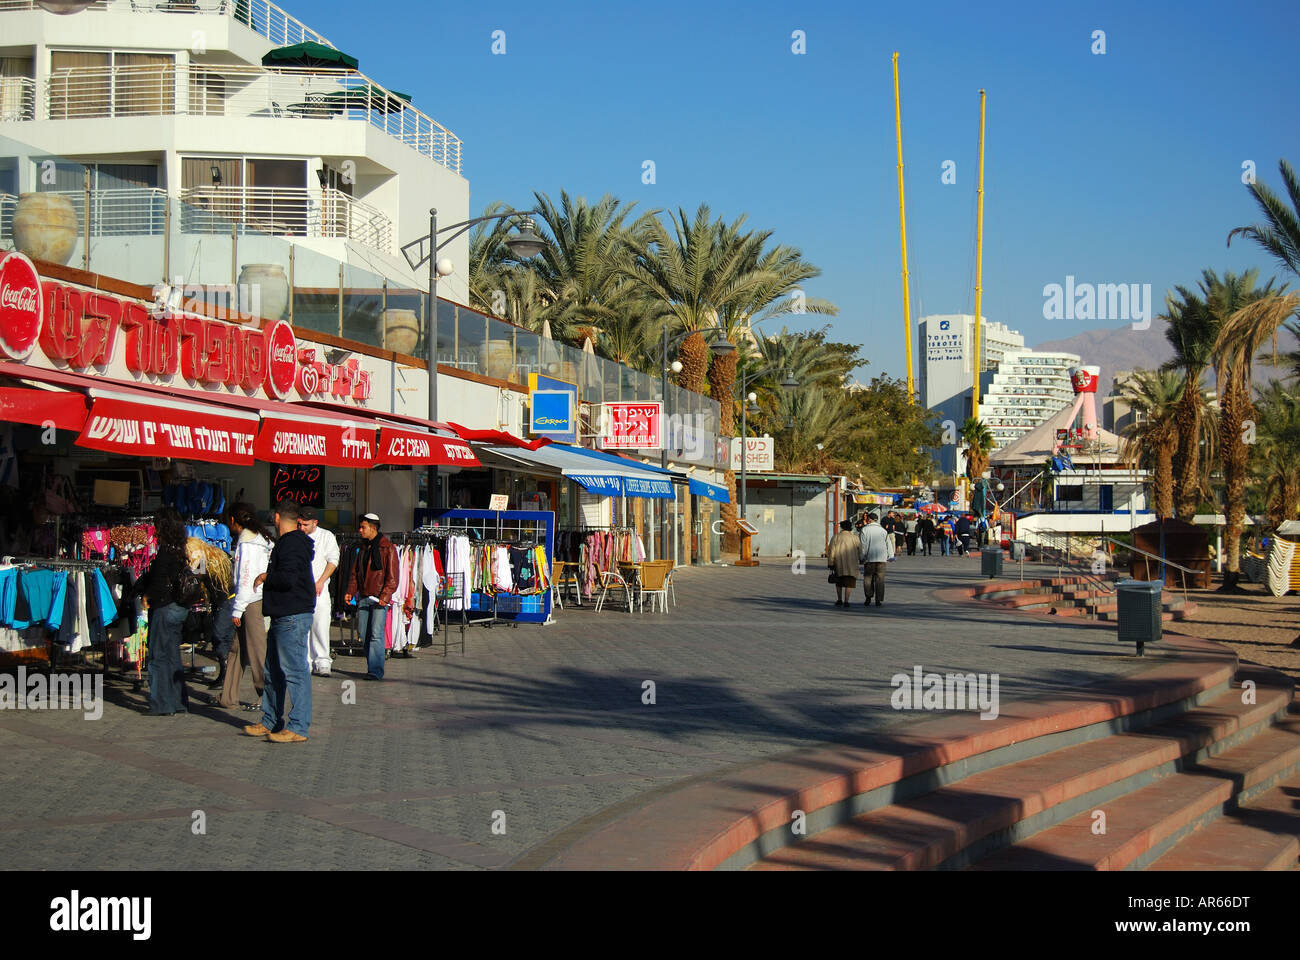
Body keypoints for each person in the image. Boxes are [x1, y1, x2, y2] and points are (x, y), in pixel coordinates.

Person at [243, 499, 316, 743]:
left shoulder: (292, 544)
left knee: (295, 671)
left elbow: (287, 578)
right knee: (273, 671)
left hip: (292, 615)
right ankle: (270, 720)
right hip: (282, 615)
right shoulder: (288, 542)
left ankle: (298, 726)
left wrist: (266, 576)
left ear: (276, 517)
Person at [133, 507, 196, 716]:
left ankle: (161, 704)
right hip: (180, 607)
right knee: (172, 656)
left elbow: (159, 584)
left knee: (158, 657)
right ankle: (178, 702)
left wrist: (146, 596)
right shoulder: (180, 549)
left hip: (165, 607)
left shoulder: (165, 552)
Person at [220, 503, 272, 711]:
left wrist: (237, 609)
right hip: (251, 599)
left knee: (257, 651)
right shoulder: (257, 539)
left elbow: (245, 576)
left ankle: (267, 694)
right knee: (237, 649)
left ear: (233, 520)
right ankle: (228, 696)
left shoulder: (248, 543)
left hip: (250, 601)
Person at [344, 512, 398, 681]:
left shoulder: (387, 548)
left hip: (379, 598)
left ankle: (375, 670)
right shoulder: (363, 548)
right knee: (363, 632)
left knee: (376, 634)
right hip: (365, 596)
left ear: (373, 528)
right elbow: (355, 572)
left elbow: (393, 576)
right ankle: (372, 665)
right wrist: (350, 591)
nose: (360, 530)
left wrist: (385, 596)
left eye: (363, 527)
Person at [297, 505, 340, 677]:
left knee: (320, 625)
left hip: (319, 590)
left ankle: (322, 660)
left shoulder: (326, 536)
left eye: (305, 525)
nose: (302, 528)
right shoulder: (296, 536)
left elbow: (333, 560)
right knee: (302, 627)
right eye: (300, 524)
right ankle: (305, 661)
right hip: (300, 590)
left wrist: (321, 581)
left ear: (315, 523)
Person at [857, 512, 891, 608]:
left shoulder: (864, 530)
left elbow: (862, 546)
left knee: (868, 578)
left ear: (869, 519)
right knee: (880, 579)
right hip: (881, 559)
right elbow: (888, 543)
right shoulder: (883, 530)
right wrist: (890, 555)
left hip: (869, 559)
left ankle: (868, 597)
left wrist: (861, 557)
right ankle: (878, 599)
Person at [827, 519, 861, 607]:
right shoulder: (855, 537)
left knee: (838, 581)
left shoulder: (836, 537)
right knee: (849, 582)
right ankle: (846, 600)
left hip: (839, 563)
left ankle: (839, 599)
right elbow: (860, 550)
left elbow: (831, 550)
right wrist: (861, 559)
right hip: (851, 564)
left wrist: (830, 562)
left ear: (842, 527)